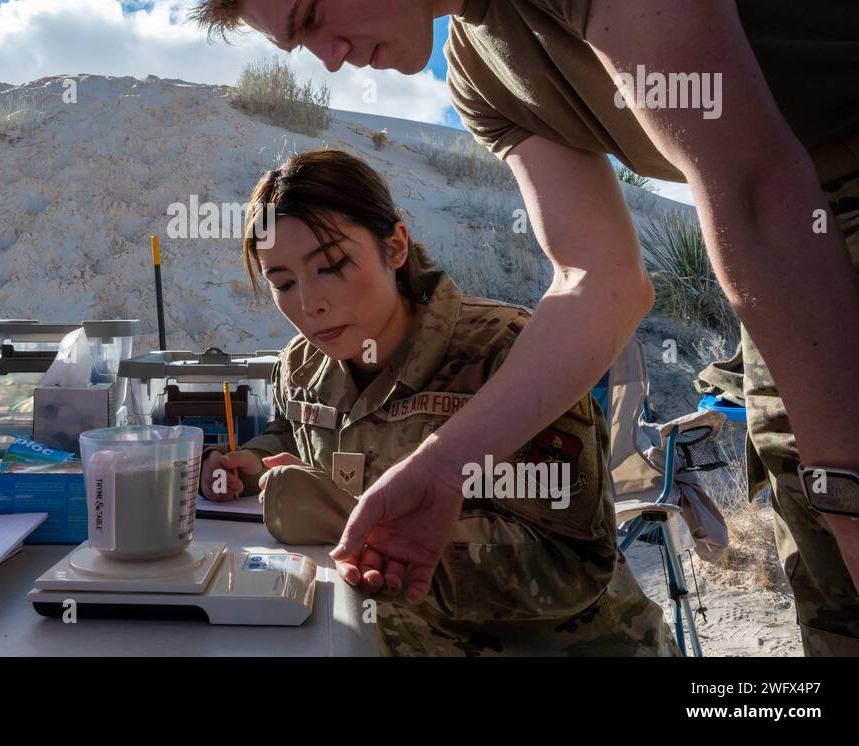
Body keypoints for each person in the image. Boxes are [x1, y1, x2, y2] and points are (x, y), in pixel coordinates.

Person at [190, 0, 859, 656]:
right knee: (836, 599)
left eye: (313, 17)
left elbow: (752, 182)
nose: (327, 58)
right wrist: (438, 471)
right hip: (809, 244)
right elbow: (600, 283)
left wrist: (856, 497)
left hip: (808, 211)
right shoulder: (480, 74)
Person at [199, 149, 678, 656]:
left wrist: (351, 523)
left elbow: (571, 561)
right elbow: (298, 428)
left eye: (333, 265)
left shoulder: (513, 354)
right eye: (283, 283)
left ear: (395, 246)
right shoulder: (301, 365)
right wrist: (249, 459)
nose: (308, 303)